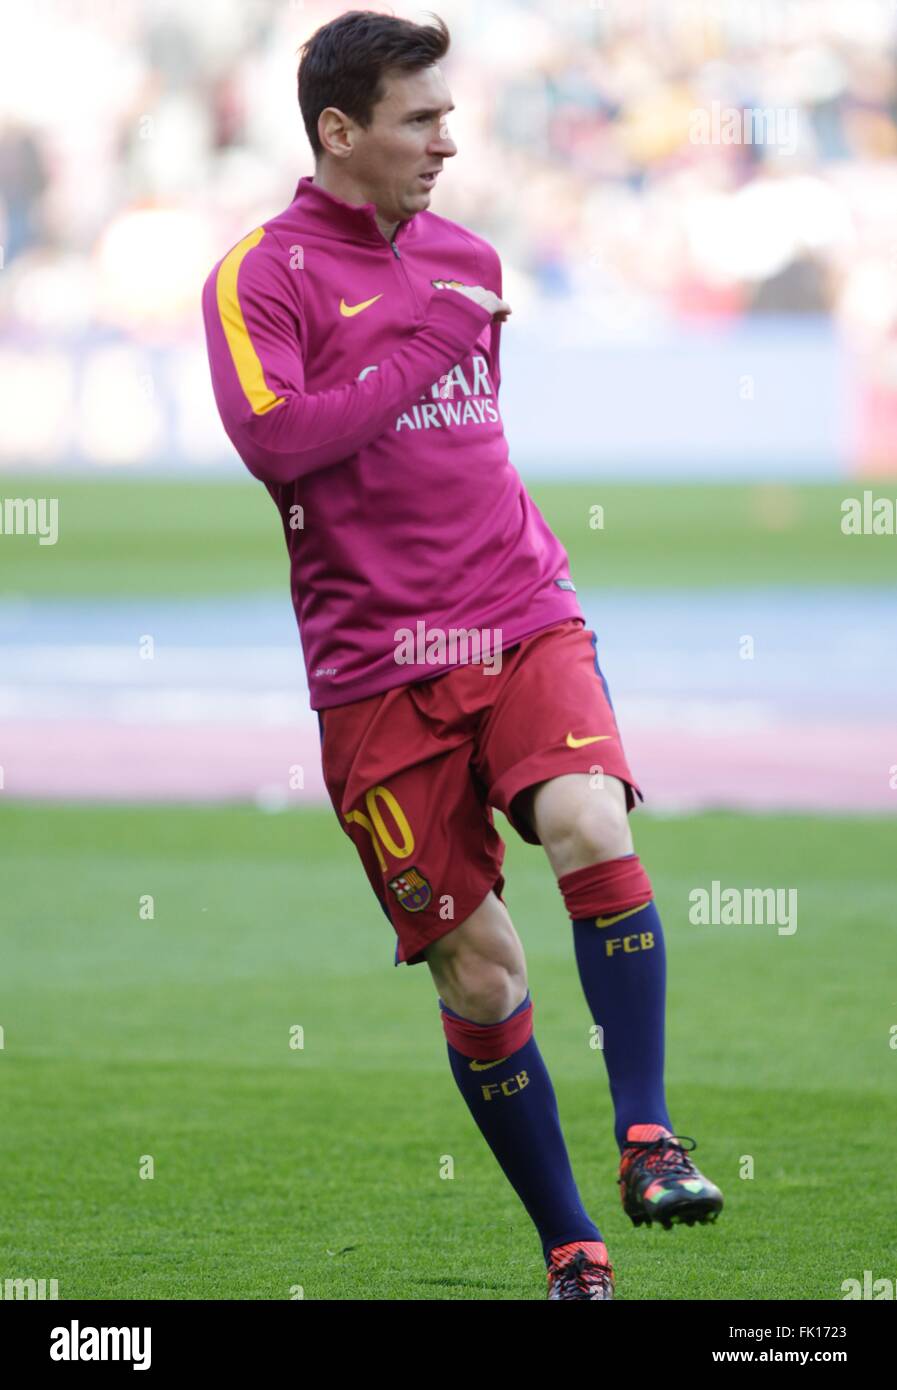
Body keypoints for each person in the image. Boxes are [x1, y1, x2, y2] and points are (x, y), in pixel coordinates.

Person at [201, 7, 722, 1301]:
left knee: (590, 819)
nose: (448, 140)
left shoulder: (467, 255)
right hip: (375, 674)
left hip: (515, 608)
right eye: (419, 118)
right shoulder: (258, 277)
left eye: (447, 113)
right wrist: (427, 336)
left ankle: (649, 1139)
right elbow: (280, 446)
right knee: (479, 966)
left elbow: (454, 447)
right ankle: (571, 1249)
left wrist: (440, 330)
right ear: (338, 131)